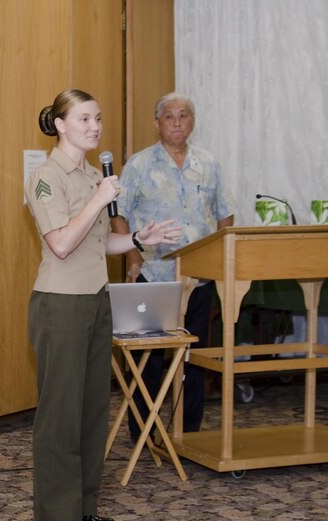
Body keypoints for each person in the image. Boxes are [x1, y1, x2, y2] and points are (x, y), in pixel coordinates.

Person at [24, 89, 182, 521]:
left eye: (98, 119)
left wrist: (138, 239)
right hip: (60, 303)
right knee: (61, 410)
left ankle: (84, 505)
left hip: (95, 298)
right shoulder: (46, 178)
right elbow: (61, 242)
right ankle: (56, 513)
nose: (94, 127)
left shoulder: (95, 175)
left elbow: (97, 242)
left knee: (92, 408)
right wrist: (99, 200)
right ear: (60, 125)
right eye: (84, 119)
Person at [113, 92, 236, 438]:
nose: (177, 122)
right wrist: (133, 256)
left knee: (195, 357)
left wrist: (220, 260)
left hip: (199, 278)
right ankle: (143, 432)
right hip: (154, 275)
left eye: (184, 116)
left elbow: (225, 213)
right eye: (170, 116)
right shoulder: (138, 165)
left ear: (192, 122)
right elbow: (119, 214)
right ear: (157, 123)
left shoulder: (209, 164)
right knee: (148, 359)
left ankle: (188, 432)